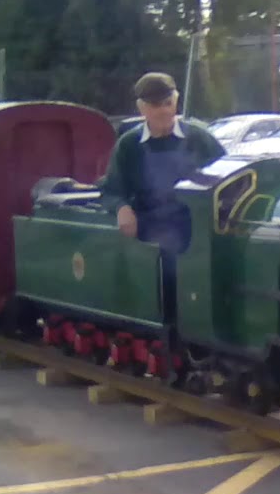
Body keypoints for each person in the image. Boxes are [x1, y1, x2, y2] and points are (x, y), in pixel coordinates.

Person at [97, 72, 226, 316]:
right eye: (156, 106)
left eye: (168, 104)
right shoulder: (129, 144)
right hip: (151, 223)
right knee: (168, 251)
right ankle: (170, 319)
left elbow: (227, 178)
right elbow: (112, 190)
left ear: (176, 101)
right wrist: (122, 209)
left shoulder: (200, 138)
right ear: (141, 108)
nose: (165, 111)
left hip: (197, 221)